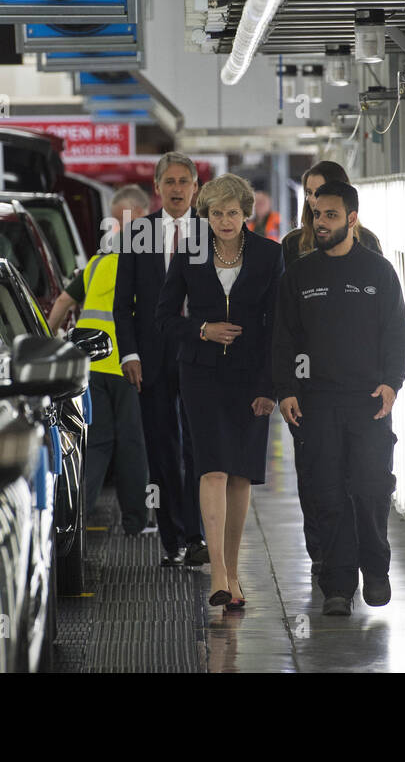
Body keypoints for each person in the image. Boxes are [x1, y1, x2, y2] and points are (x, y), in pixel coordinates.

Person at [272, 180, 405, 617]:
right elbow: (283, 337)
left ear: (352, 218)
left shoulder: (378, 272)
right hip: (316, 403)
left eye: (330, 215)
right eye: (316, 214)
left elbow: (396, 334)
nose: (321, 222)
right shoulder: (299, 275)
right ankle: (337, 584)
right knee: (325, 492)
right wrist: (287, 389)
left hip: (369, 401)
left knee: (370, 489)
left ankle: (376, 570)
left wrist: (392, 383)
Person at [155, 174, 283, 608]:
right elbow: (165, 318)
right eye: (215, 213)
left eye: (231, 212)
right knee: (211, 468)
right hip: (201, 374)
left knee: (241, 473)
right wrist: (203, 330)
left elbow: (278, 327)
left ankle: (234, 568)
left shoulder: (269, 255)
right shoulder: (189, 254)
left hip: (250, 378)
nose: (224, 221)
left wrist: (271, 386)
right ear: (204, 214)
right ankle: (220, 577)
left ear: (246, 213)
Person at [280, 159, 383, 578]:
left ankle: (357, 554)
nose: (314, 203)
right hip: (309, 381)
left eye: (321, 194)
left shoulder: (369, 244)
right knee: (314, 470)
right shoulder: (292, 245)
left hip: (357, 383)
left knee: (359, 474)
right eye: (308, 195)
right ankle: (321, 552)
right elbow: (285, 317)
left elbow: (380, 313)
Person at [113, 152, 208, 568]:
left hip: (199, 352)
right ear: (157, 188)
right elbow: (122, 304)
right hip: (150, 357)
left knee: (198, 445)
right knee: (162, 446)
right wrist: (129, 353)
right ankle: (172, 540)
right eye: (168, 182)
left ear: (195, 188)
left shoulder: (211, 233)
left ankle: (197, 534)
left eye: (183, 181)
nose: (176, 189)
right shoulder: (137, 234)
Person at [47, 185, 151, 536]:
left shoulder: (96, 263)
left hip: (89, 368)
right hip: (126, 365)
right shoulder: (146, 262)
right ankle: (136, 522)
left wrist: (46, 343)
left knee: (96, 443)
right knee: (132, 444)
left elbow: (62, 303)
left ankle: (77, 516)